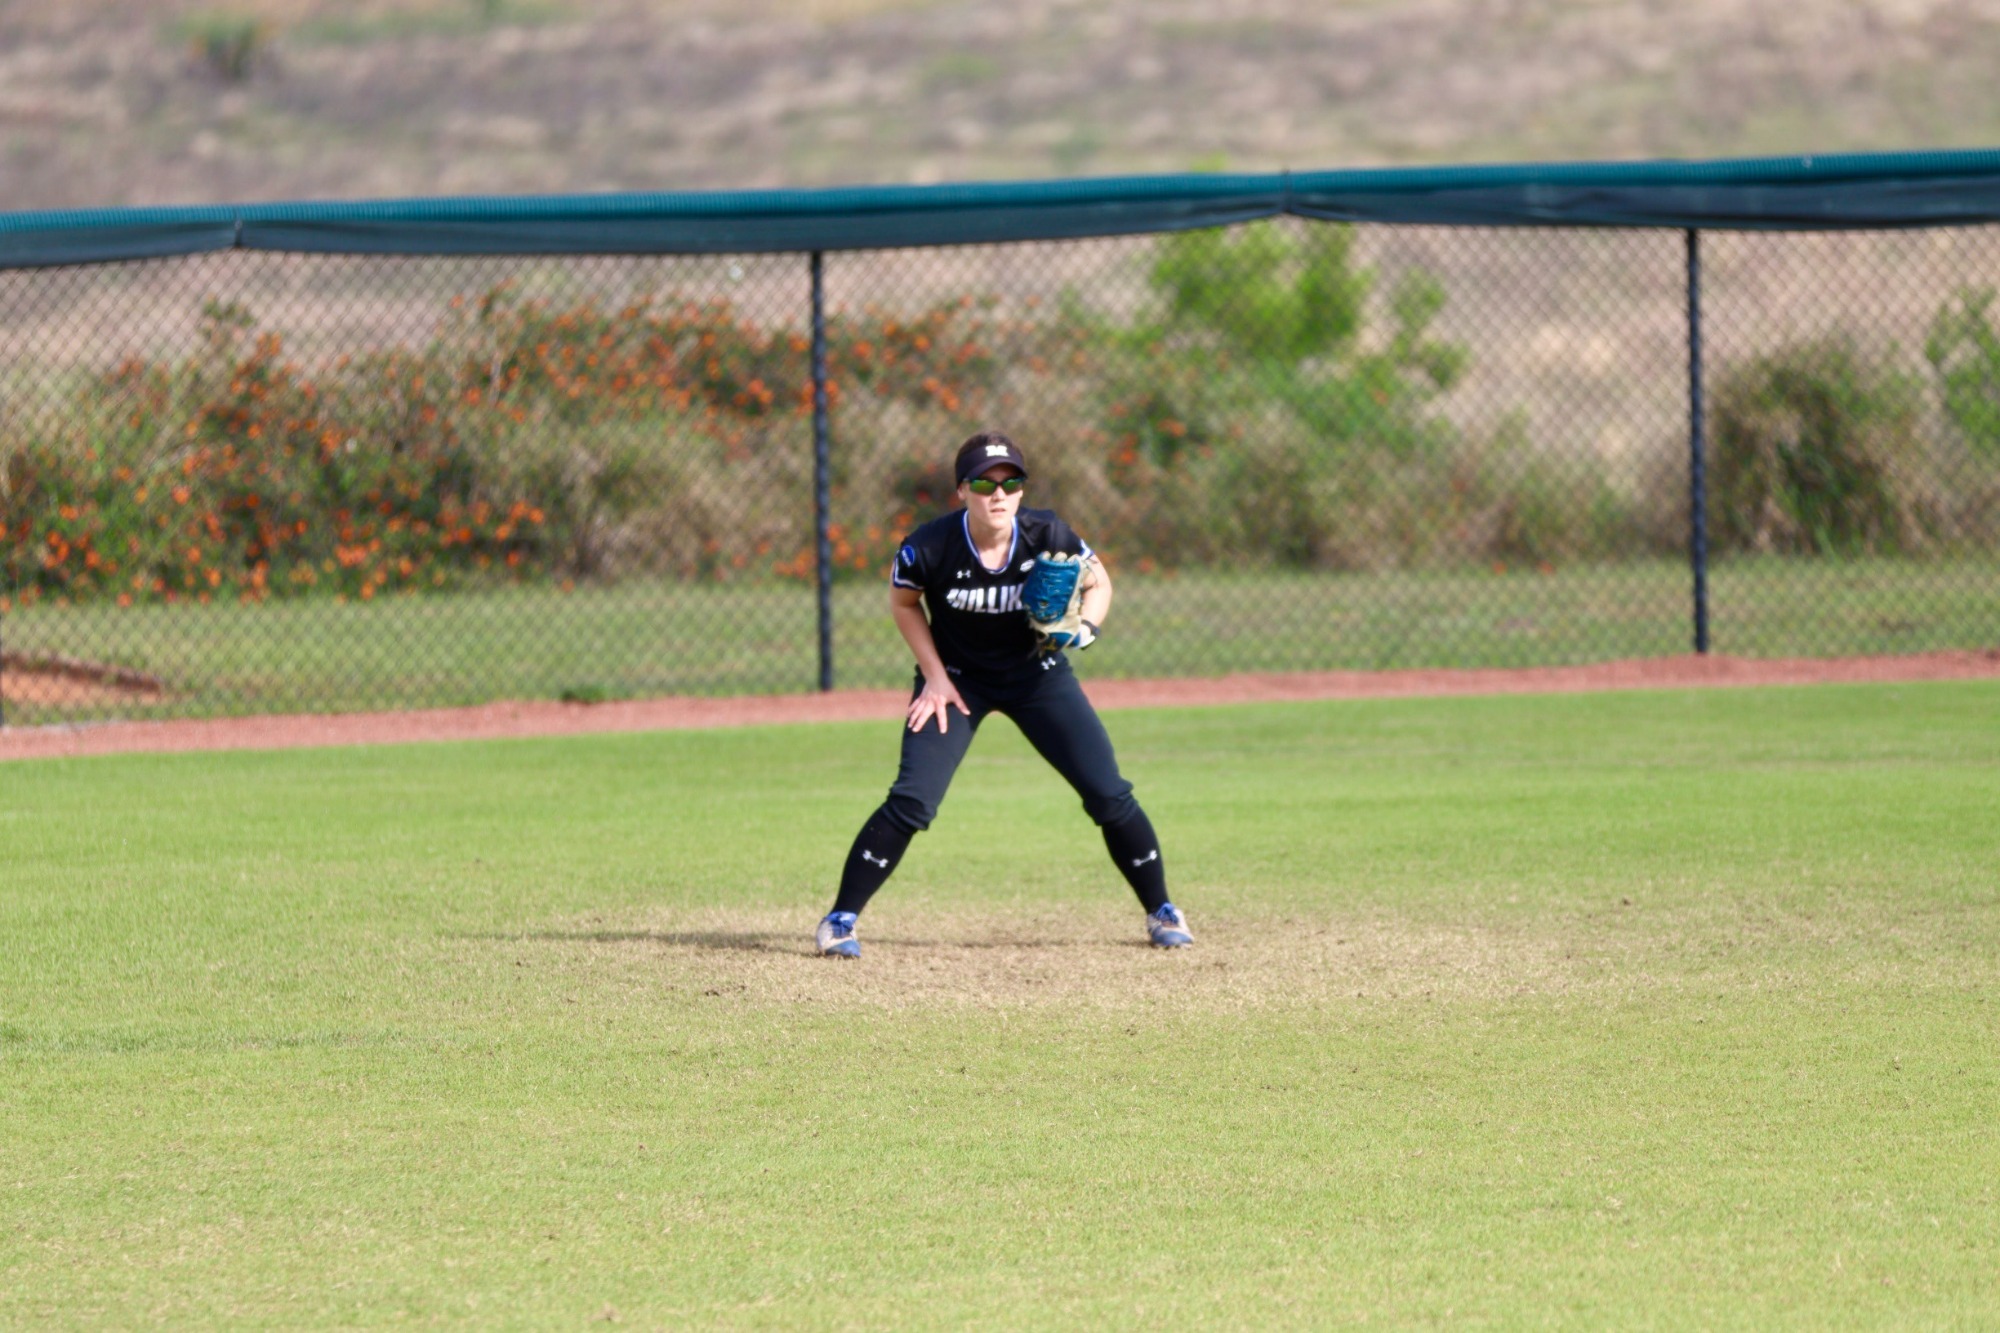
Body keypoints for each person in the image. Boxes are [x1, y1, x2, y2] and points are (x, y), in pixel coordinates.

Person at [814, 430, 1193, 958]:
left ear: (1021, 490)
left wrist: (1085, 628)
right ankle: (840, 920)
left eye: (1010, 482)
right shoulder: (929, 545)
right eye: (984, 482)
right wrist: (935, 675)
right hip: (956, 680)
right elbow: (904, 604)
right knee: (912, 801)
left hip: (1037, 676)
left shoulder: (1049, 534)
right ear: (961, 490)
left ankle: (1162, 911)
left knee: (1109, 794)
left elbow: (1098, 583)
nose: (998, 493)